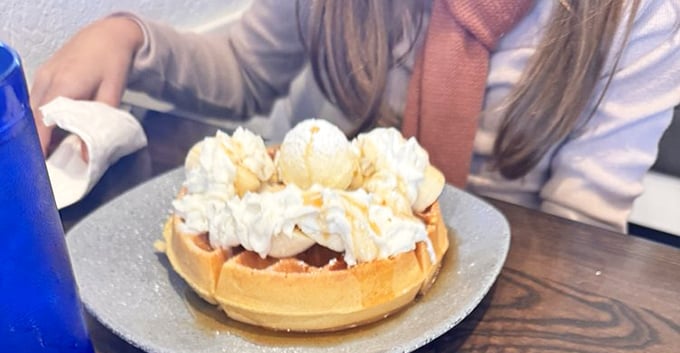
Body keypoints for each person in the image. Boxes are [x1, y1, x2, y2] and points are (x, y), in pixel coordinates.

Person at [30, 0, 680, 232]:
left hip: (503, 296)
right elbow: (245, 70)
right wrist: (129, 37)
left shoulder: (636, 19)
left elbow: (579, 232)